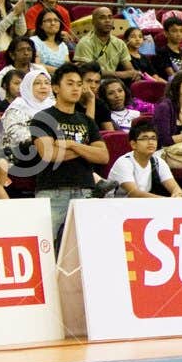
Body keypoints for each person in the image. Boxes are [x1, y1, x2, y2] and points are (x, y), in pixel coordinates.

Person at [29, 63, 107, 243]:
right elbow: (49, 154)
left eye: (79, 84)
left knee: (86, 246)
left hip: (85, 189)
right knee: (46, 246)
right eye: (70, 83)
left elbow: (103, 156)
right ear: (56, 88)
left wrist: (71, 144)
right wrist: (86, 148)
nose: (76, 88)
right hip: (53, 190)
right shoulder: (43, 117)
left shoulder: (86, 120)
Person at [104, 120, 182, 198]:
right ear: (133, 144)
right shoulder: (124, 163)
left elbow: (176, 189)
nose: (151, 142)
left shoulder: (158, 162)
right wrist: (165, 201)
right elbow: (134, 193)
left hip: (142, 203)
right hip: (115, 204)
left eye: (153, 138)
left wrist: (177, 195)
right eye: (145, 138)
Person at [74, 7, 141, 82]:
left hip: (113, 83)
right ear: (93, 22)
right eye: (102, 18)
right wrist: (120, 74)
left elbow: (130, 70)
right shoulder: (85, 42)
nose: (107, 20)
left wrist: (134, 74)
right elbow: (88, 72)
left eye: (110, 17)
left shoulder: (120, 43)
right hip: (93, 83)